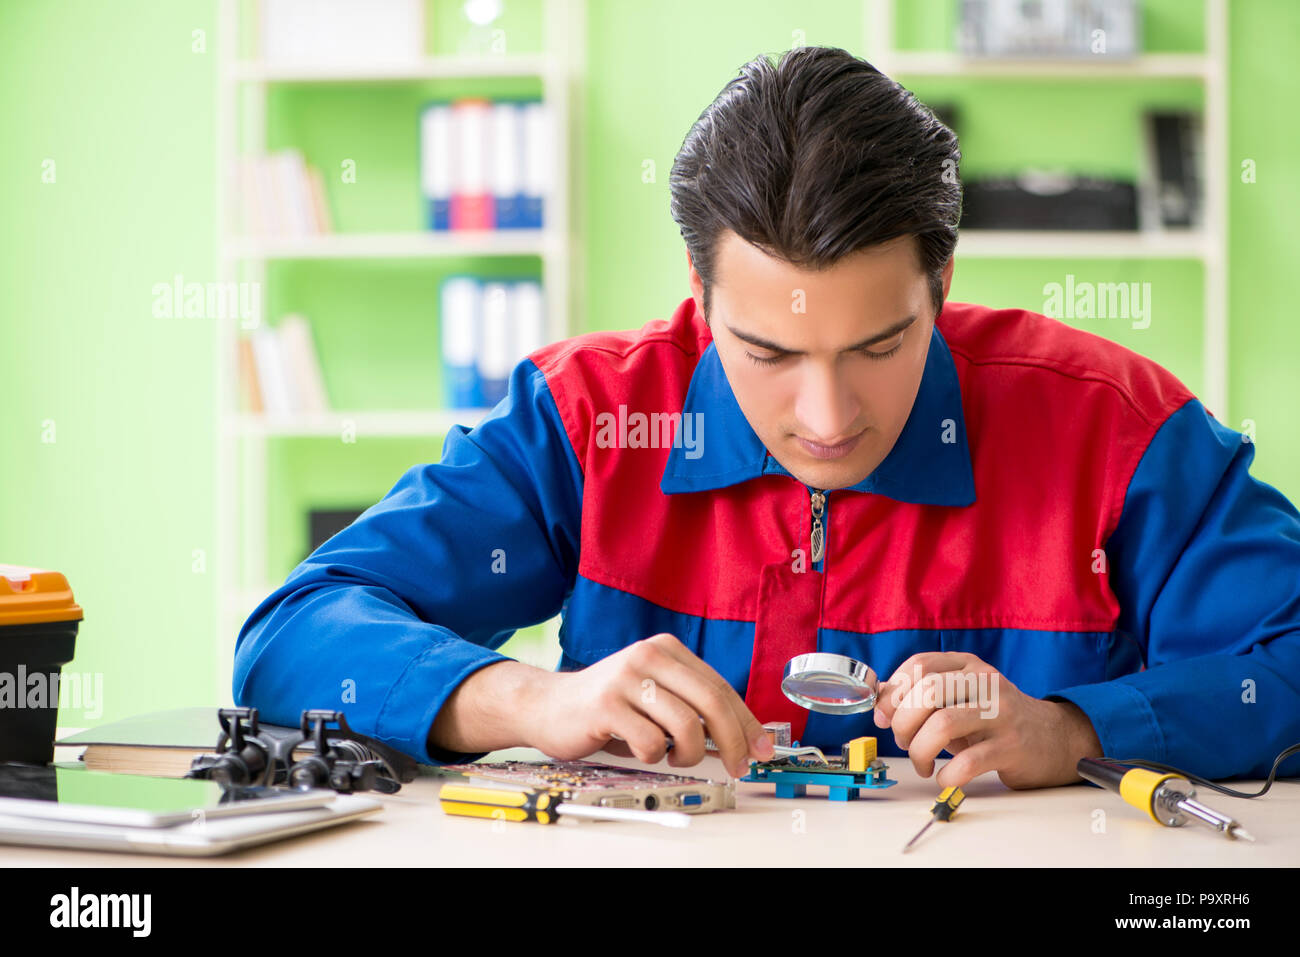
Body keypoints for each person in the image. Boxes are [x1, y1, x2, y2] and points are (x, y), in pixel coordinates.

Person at [233, 46, 1300, 790]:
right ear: (700, 298)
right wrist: (524, 702)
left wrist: (1073, 729)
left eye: (880, 346)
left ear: (941, 282)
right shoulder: (590, 419)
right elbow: (291, 637)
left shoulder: (1113, 430)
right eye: (768, 353)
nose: (827, 417)